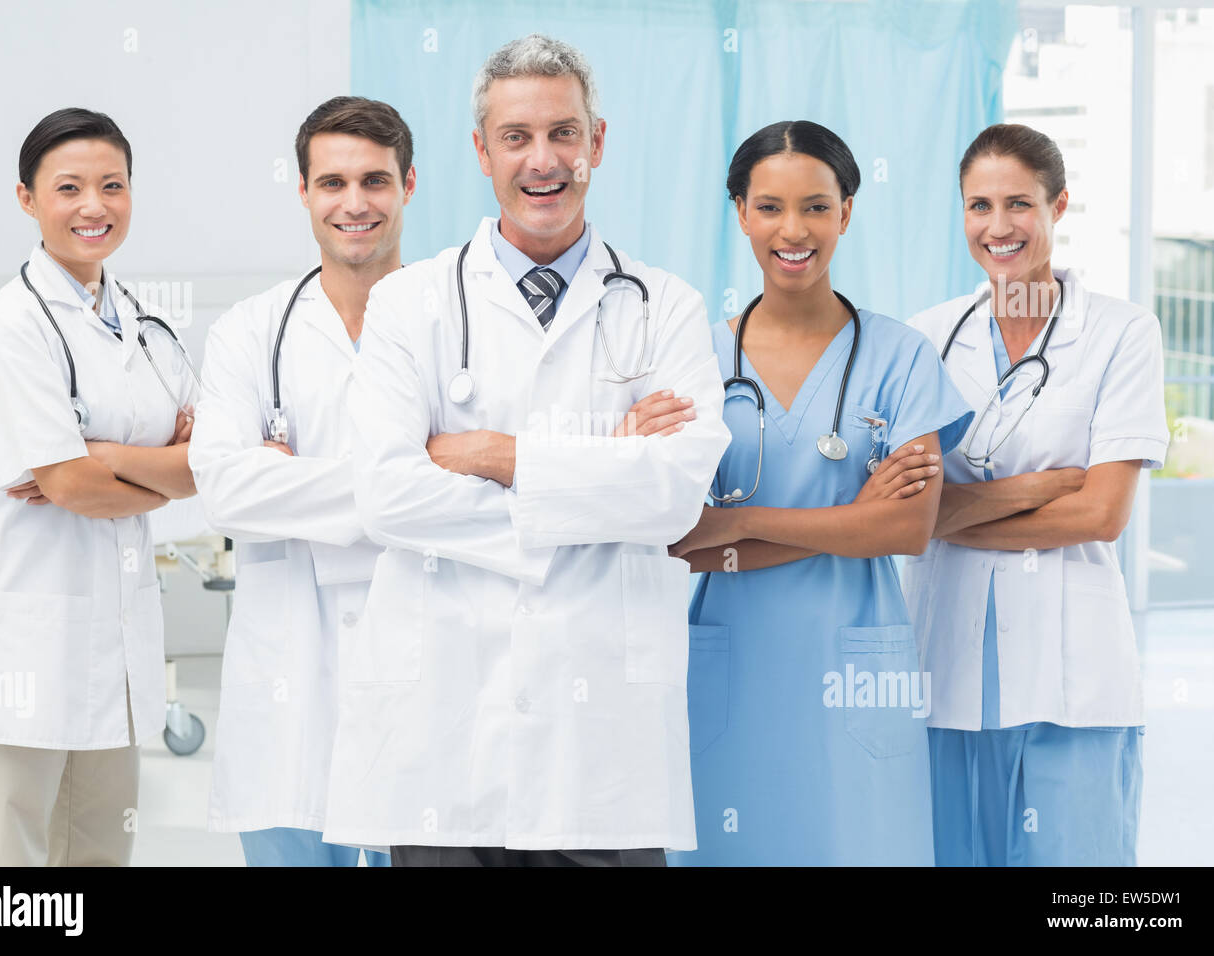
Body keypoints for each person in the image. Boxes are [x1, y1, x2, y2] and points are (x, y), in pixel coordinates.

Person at [321, 33, 731, 866]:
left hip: (602, 741)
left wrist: (498, 456)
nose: (543, 160)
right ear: (481, 150)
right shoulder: (410, 304)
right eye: (517, 137)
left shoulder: (668, 307)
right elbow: (388, 495)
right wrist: (602, 476)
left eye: (564, 133)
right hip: (445, 726)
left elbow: (675, 497)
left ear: (598, 142)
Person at [666, 121, 974, 866]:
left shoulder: (901, 356)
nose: (792, 229)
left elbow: (904, 530)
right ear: (740, 212)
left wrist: (734, 522)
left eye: (815, 205)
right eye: (769, 206)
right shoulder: (695, 358)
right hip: (732, 669)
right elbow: (676, 539)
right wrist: (852, 515)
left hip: (855, 675)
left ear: (847, 211)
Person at [905, 123, 1169, 867]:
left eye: (1018, 203)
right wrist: (1034, 489)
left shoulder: (1121, 333)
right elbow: (904, 516)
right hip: (945, 678)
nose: (998, 227)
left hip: (1075, 681)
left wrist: (950, 513)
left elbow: (1101, 513)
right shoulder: (925, 340)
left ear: (1058, 205)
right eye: (978, 205)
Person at [0, 108, 198, 866]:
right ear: (28, 200)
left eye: (112, 186)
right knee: (10, 865)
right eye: (69, 188)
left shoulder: (150, 327)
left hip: (116, 650)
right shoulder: (12, 325)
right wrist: (142, 471)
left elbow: (205, 459)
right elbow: (69, 485)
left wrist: (103, 457)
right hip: (26, 639)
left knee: (98, 856)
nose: (95, 206)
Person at [188, 97, 414, 867]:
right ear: (304, 191)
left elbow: (493, 490)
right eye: (333, 182)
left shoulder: (453, 321)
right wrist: (405, 483)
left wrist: (288, 485)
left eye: (375, 181)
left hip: (420, 677)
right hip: (286, 684)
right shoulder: (251, 332)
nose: (354, 204)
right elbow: (222, 489)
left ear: (409, 185)